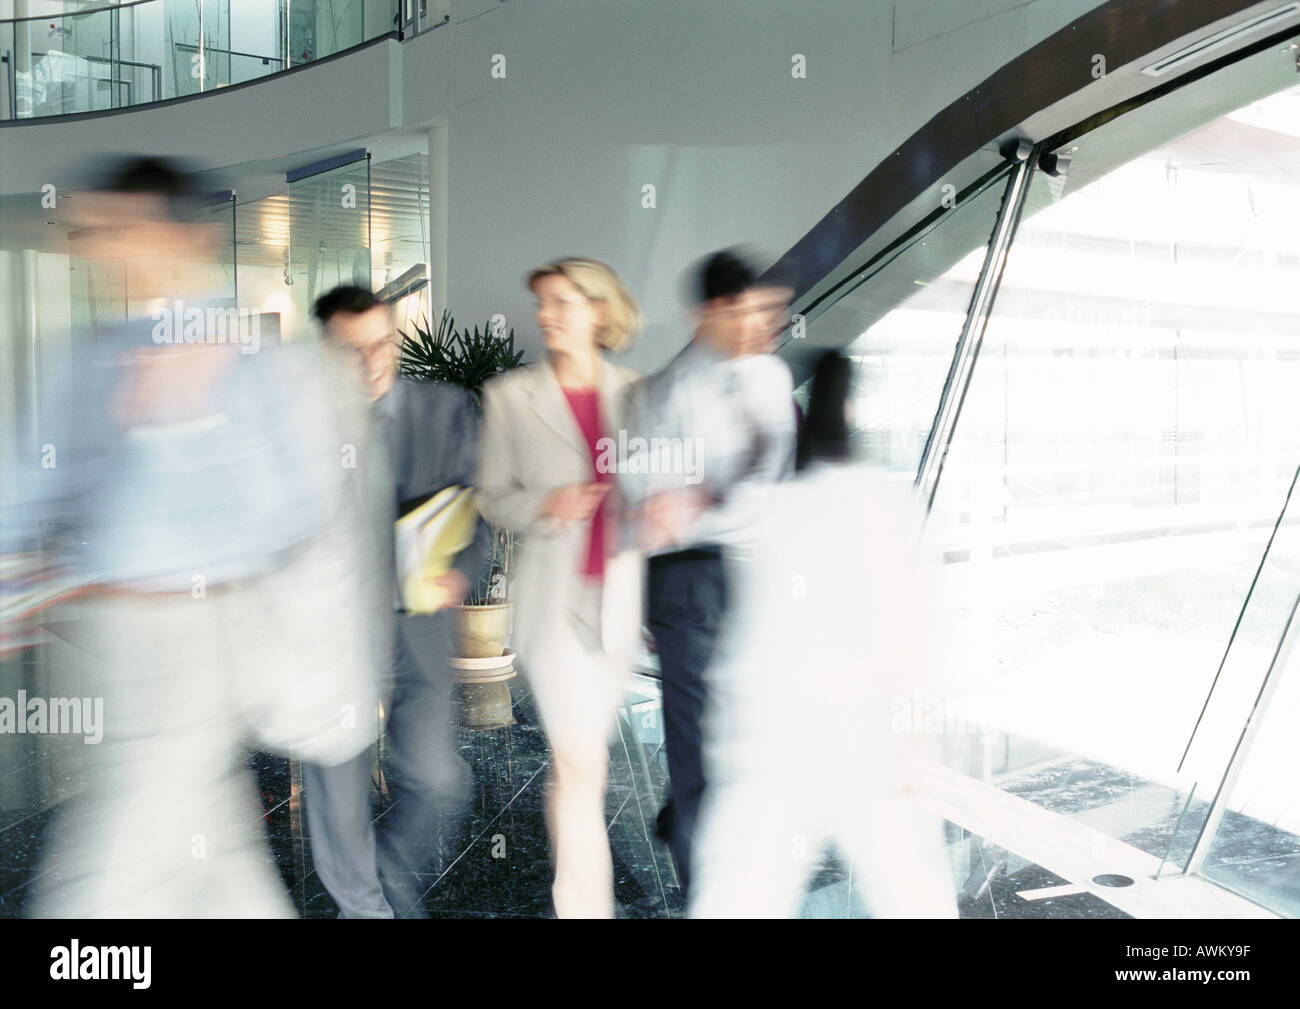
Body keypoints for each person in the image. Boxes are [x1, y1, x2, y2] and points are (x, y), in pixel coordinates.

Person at [4, 158, 387, 917]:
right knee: (212, 857)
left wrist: (187, 422)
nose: (100, 248)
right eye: (94, 231)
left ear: (178, 236)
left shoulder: (255, 364)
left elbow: (297, 510)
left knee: (108, 877)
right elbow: (30, 482)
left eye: (121, 228)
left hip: (203, 638)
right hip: (105, 640)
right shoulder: (84, 357)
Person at [688, 351, 960, 918]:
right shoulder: (886, 504)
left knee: (741, 892)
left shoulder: (769, 508)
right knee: (910, 888)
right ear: (855, 410)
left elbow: (747, 632)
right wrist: (913, 742)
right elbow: (912, 631)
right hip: (862, 731)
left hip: (771, 730)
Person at [302, 285, 488, 919]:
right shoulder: (303, 425)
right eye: (351, 351)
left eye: (382, 342)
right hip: (331, 636)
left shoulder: (445, 409)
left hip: (419, 627)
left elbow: (473, 518)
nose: (373, 361)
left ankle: (387, 872)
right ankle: (365, 908)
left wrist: (458, 574)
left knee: (440, 779)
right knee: (337, 796)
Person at [621, 248, 797, 898]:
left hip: (757, 574)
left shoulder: (770, 379)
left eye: (770, 311)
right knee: (696, 739)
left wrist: (698, 501)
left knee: (748, 732)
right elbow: (646, 501)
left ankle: (693, 823)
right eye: (751, 312)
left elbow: (764, 483)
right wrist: (684, 509)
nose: (766, 325)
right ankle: (706, 888)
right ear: (710, 311)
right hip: (689, 580)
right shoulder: (665, 393)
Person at [475, 257, 644, 918]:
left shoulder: (637, 393)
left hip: (617, 604)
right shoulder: (510, 396)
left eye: (561, 302)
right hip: (552, 608)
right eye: (542, 303)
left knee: (579, 765)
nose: (545, 315)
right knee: (582, 766)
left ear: (600, 310)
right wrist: (552, 501)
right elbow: (492, 497)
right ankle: (583, 907)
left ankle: (574, 898)